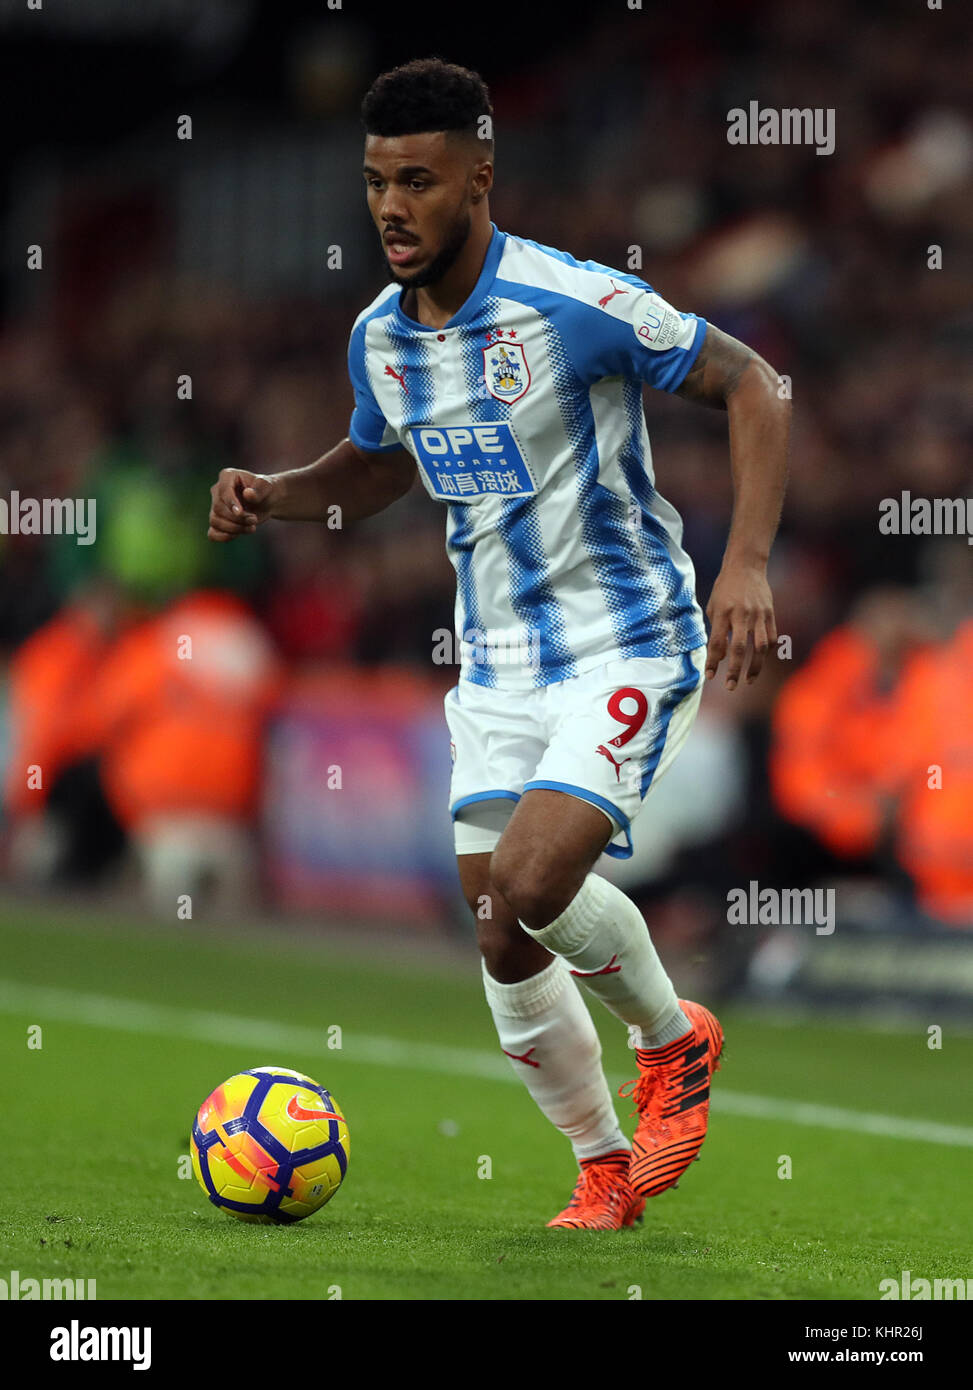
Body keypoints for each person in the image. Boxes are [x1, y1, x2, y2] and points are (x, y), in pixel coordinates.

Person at [207, 59, 790, 1229]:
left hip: (624, 641)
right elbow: (376, 469)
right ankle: (602, 1168)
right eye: (376, 183)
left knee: (532, 879)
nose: (390, 208)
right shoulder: (381, 337)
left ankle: (675, 1039)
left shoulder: (576, 304)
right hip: (495, 669)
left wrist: (745, 564)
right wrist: (279, 492)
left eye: (417, 182)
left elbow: (756, 384)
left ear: (479, 180)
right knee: (500, 933)